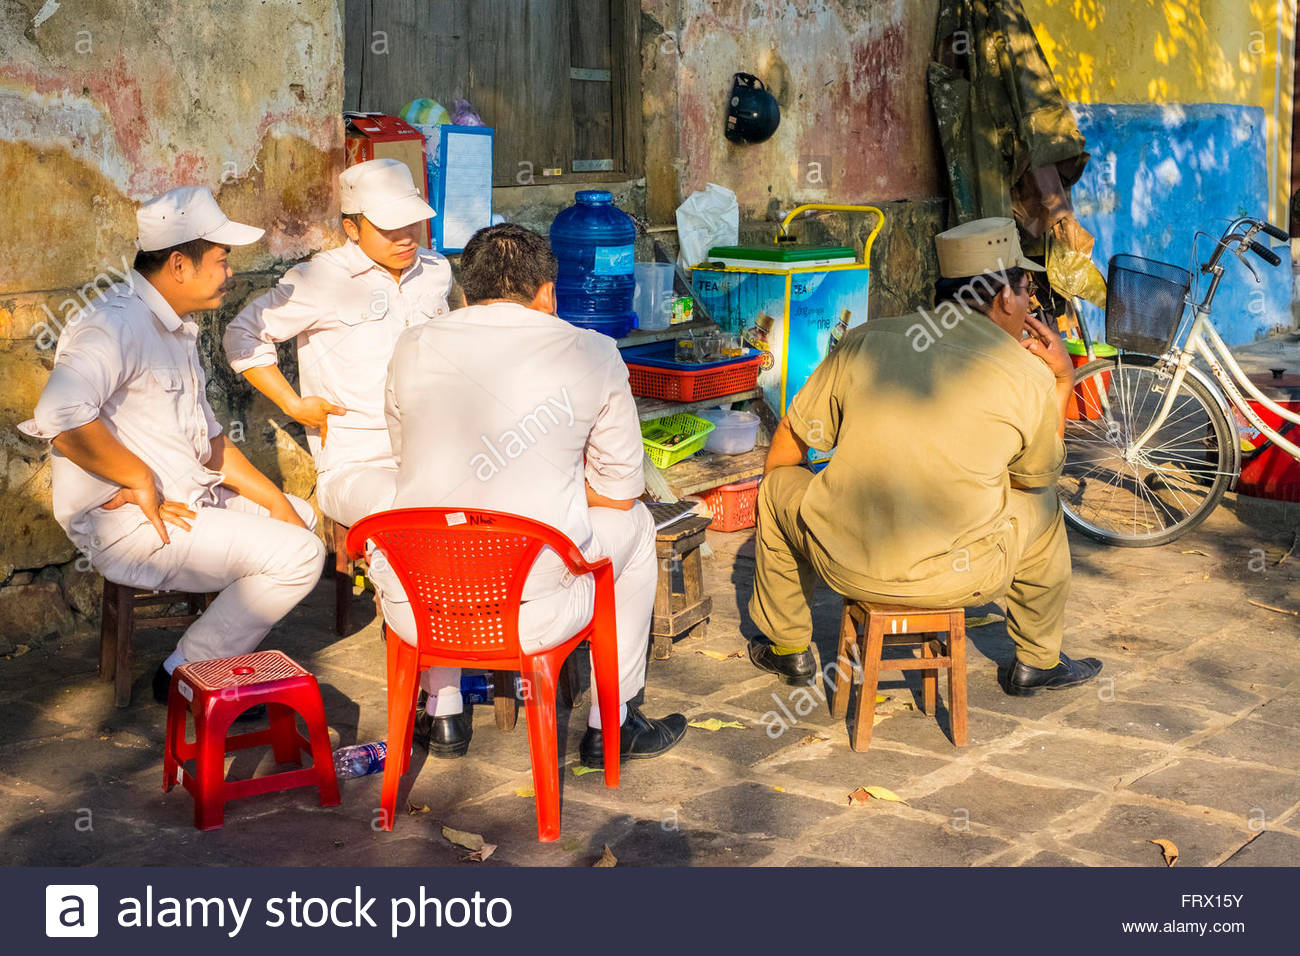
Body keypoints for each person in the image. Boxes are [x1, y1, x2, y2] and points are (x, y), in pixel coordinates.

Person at [369, 223, 687, 764]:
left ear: (464, 295)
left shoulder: (412, 343)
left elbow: (408, 461)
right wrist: (559, 483)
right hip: (531, 608)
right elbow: (621, 489)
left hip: (420, 605)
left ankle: (443, 711)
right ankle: (615, 719)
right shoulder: (593, 351)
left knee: (435, 516)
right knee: (634, 523)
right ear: (547, 293)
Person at [747, 216, 1102, 697]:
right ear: (1003, 297)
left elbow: (794, 432)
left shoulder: (867, 339)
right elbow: (1034, 477)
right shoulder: (1026, 374)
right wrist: (1061, 380)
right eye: (1027, 291)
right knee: (1045, 507)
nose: (1030, 304)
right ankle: (1037, 661)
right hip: (962, 580)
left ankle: (788, 646)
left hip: (842, 565)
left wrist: (795, 529)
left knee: (776, 488)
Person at [20, 186, 326, 704]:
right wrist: (136, 478)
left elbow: (209, 444)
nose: (230, 273)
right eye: (222, 260)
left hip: (187, 501)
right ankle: (186, 675)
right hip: (132, 524)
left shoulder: (178, 327)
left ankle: (220, 663)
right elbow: (61, 419)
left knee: (299, 519)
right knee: (299, 555)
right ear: (179, 265)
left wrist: (275, 502)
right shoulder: (112, 323)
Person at [222, 158, 453, 528]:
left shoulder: (435, 270)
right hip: (358, 466)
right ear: (352, 228)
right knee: (409, 520)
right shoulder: (320, 278)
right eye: (390, 228)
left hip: (436, 451)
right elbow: (242, 334)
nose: (407, 236)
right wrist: (292, 404)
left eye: (412, 222)